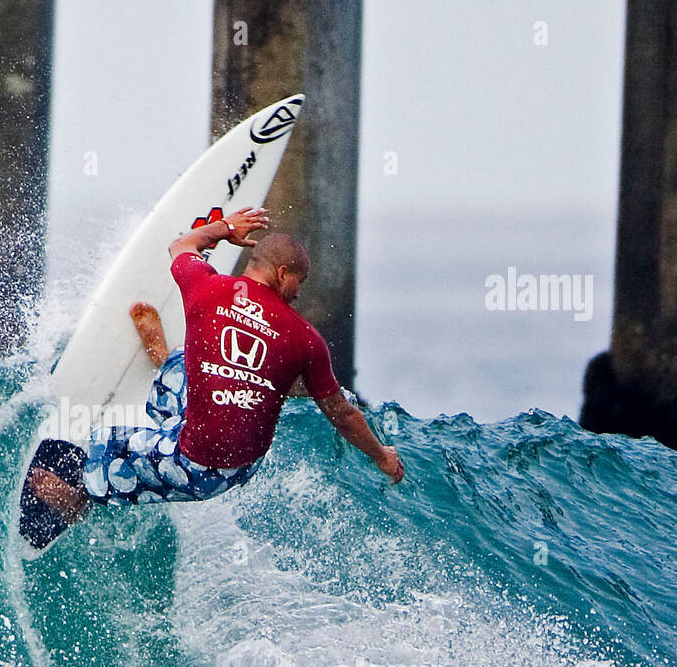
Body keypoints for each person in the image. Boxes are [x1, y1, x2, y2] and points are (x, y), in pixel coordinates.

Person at [29, 206, 403, 524]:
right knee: (199, 363)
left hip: (202, 465)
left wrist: (226, 229)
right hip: (239, 461)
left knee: (107, 440)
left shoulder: (207, 287)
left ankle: (81, 498)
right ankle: (166, 357)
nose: (300, 291)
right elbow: (342, 414)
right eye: (299, 281)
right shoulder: (306, 338)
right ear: (282, 274)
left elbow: (181, 245)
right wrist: (382, 455)